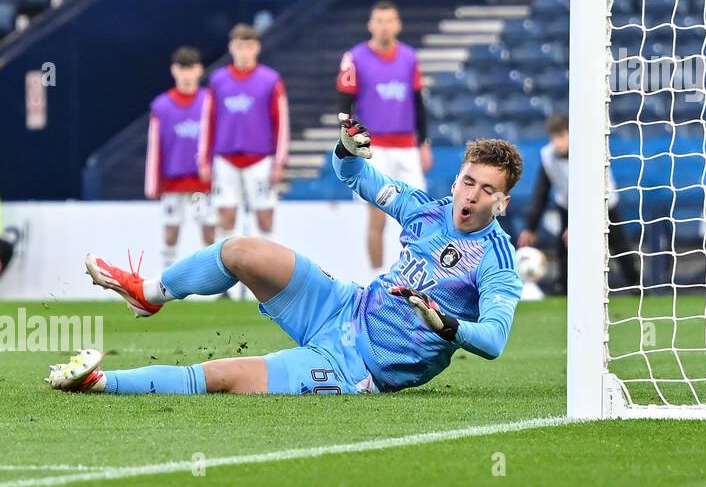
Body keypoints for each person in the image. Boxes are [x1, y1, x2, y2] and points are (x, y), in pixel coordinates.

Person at [47, 126, 525, 396]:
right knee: (239, 250)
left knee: (225, 376)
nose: (471, 195)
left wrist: (446, 325)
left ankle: (98, 382)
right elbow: (354, 175)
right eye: (467, 181)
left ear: (501, 202)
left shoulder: (498, 261)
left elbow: (494, 340)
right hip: (342, 306)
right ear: (456, 179)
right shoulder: (426, 210)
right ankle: (148, 294)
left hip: (354, 366)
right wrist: (347, 149)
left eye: (487, 190)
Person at [337, 1, 432, 272]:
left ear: (398, 24)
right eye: (379, 20)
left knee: (420, 214)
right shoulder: (355, 57)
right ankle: (375, 278)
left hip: (406, 146)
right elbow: (344, 104)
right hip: (374, 147)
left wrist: (423, 143)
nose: (384, 26)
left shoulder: (410, 57)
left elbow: (418, 102)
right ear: (370, 24)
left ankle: (418, 277)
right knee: (376, 213)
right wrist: (352, 142)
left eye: (389, 20)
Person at [199, 24, 289, 283]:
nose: (244, 51)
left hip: (260, 158)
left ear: (257, 48)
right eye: (239, 46)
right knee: (225, 217)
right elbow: (209, 120)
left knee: (265, 217)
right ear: (231, 48)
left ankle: (267, 276)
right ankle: (223, 279)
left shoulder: (270, 80)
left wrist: (279, 161)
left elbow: (281, 121)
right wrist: (204, 158)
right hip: (226, 158)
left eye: (249, 46)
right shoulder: (218, 80)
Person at [518, 114, 638, 295]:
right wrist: (530, 227)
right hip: (567, 206)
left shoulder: (588, 151)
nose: (557, 142)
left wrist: (577, 224)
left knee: (618, 244)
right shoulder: (547, 156)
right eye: (553, 138)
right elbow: (541, 193)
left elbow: (591, 189)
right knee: (564, 246)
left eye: (561, 136)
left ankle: (635, 284)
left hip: (602, 204)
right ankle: (564, 287)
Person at [146, 47, 215, 270]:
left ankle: (218, 283)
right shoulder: (161, 106)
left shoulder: (209, 101)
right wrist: (153, 184)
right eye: (182, 69)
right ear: (174, 70)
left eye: (191, 69)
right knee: (171, 230)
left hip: (201, 183)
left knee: (208, 228)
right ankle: (165, 279)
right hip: (173, 182)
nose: (186, 75)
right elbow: (155, 146)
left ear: (199, 70)